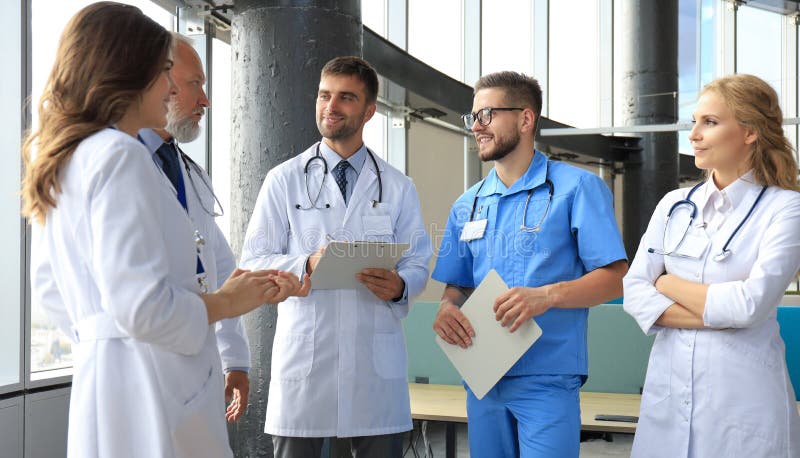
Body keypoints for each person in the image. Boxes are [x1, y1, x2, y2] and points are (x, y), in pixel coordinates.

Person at [22, 3, 303, 457]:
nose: (171, 87)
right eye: (165, 72)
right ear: (129, 72)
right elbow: (143, 308)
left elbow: (51, 290)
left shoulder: (69, 158)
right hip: (154, 390)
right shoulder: (121, 155)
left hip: (107, 385)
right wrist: (222, 304)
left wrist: (110, 340)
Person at [240, 56, 432, 458]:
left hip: (373, 369)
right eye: (325, 95)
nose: (331, 106)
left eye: (346, 98)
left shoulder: (397, 186)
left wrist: (400, 285)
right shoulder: (284, 179)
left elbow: (417, 260)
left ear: (369, 111)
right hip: (307, 363)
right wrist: (306, 264)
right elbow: (254, 259)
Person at [432, 71, 628, 457]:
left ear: (525, 119)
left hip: (547, 377)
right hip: (483, 375)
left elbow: (616, 279)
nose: (476, 126)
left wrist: (547, 296)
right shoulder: (467, 204)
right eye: (472, 117)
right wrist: (445, 308)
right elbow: (457, 285)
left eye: (486, 114)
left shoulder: (576, 188)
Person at [623, 74, 800, 457]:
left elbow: (751, 304)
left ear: (750, 132)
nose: (694, 134)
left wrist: (668, 285)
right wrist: (723, 312)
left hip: (742, 409)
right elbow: (634, 292)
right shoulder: (674, 205)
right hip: (667, 404)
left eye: (711, 122)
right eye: (695, 122)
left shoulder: (786, 208)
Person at [138, 33, 251, 423]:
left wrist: (235, 358)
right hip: (143, 365)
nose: (204, 100)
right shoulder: (120, 162)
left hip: (198, 366)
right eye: (194, 84)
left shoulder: (191, 173)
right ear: (160, 80)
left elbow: (219, 267)